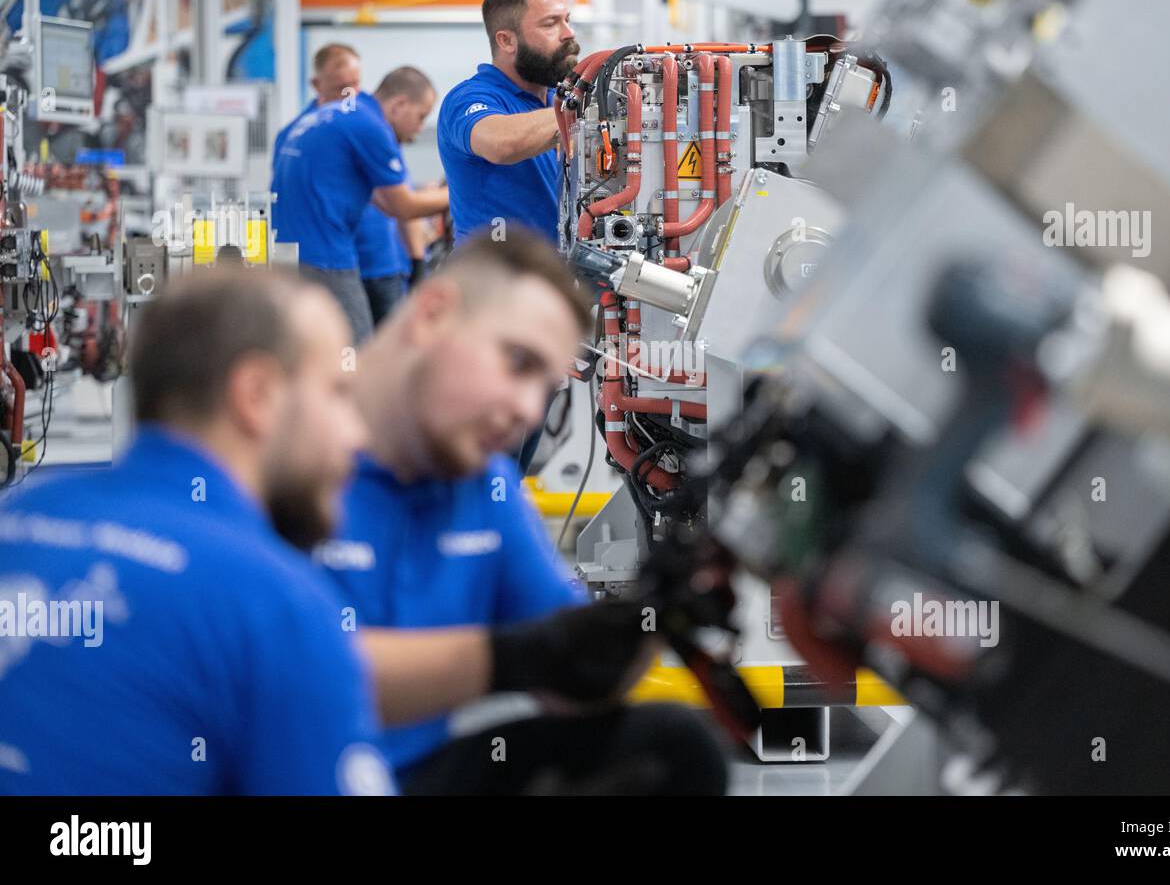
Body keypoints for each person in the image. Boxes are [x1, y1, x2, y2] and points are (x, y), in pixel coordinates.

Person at [317, 229, 729, 795]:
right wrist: (507, 659)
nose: (528, 409)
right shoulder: (286, 451)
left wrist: (652, 610)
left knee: (672, 751)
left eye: (546, 385)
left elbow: (570, 682)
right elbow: (294, 676)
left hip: (409, 778)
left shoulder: (484, 486)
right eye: (517, 363)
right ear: (433, 314)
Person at [0, 269, 394, 794]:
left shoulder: (21, 516)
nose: (358, 432)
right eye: (338, 393)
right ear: (258, 396)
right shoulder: (277, 608)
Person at [273, 65, 448, 342]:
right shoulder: (371, 126)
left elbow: (381, 199)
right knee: (356, 350)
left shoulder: (333, 114)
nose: (417, 130)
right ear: (399, 104)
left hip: (290, 255)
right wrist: (456, 194)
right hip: (327, 258)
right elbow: (400, 206)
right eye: (420, 117)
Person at [436, 0, 579, 249]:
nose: (568, 33)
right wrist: (583, 106)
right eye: (551, 23)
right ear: (507, 41)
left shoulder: (553, 99)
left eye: (567, 20)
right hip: (490, 277)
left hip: (550, 274)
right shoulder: (468, 98)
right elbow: (501, 144)